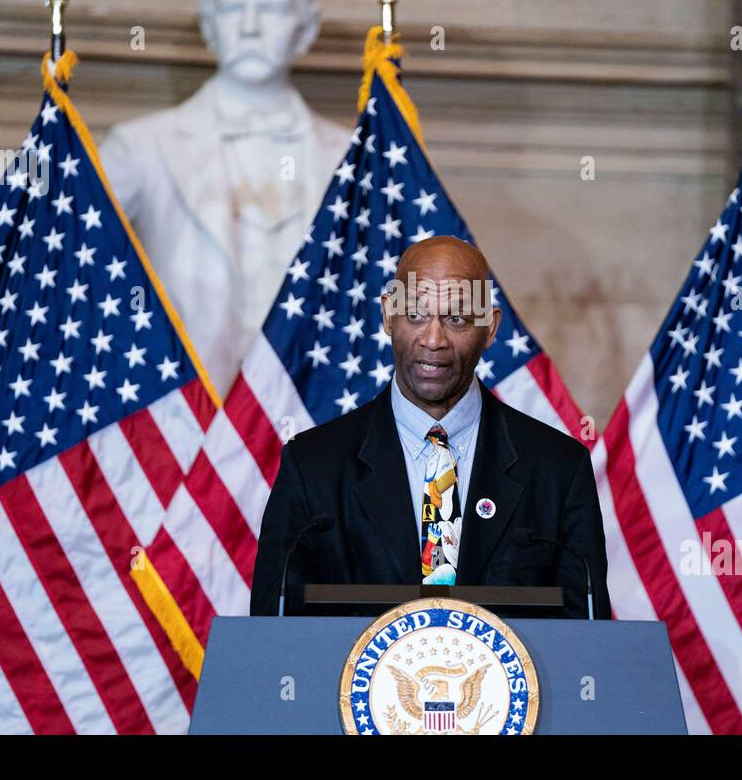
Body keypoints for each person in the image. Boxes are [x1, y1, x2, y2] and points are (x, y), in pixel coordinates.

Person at [250, 236, 611, 619]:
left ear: (490, 328)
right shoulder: (313, 467)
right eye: (416, 314)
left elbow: (585, 644)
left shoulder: (558, 469)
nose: (434, 340)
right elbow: (276, 637)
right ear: (388, 315)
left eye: (456, 318)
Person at [101, 0, 349, 395]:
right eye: (235, 9)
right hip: (187, 412)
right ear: (210, 23)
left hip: (315, 407)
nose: (251, 28)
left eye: (271, 9)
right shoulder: (139, 147)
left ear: (306, 29)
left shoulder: (352, 157)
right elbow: (72, 261)